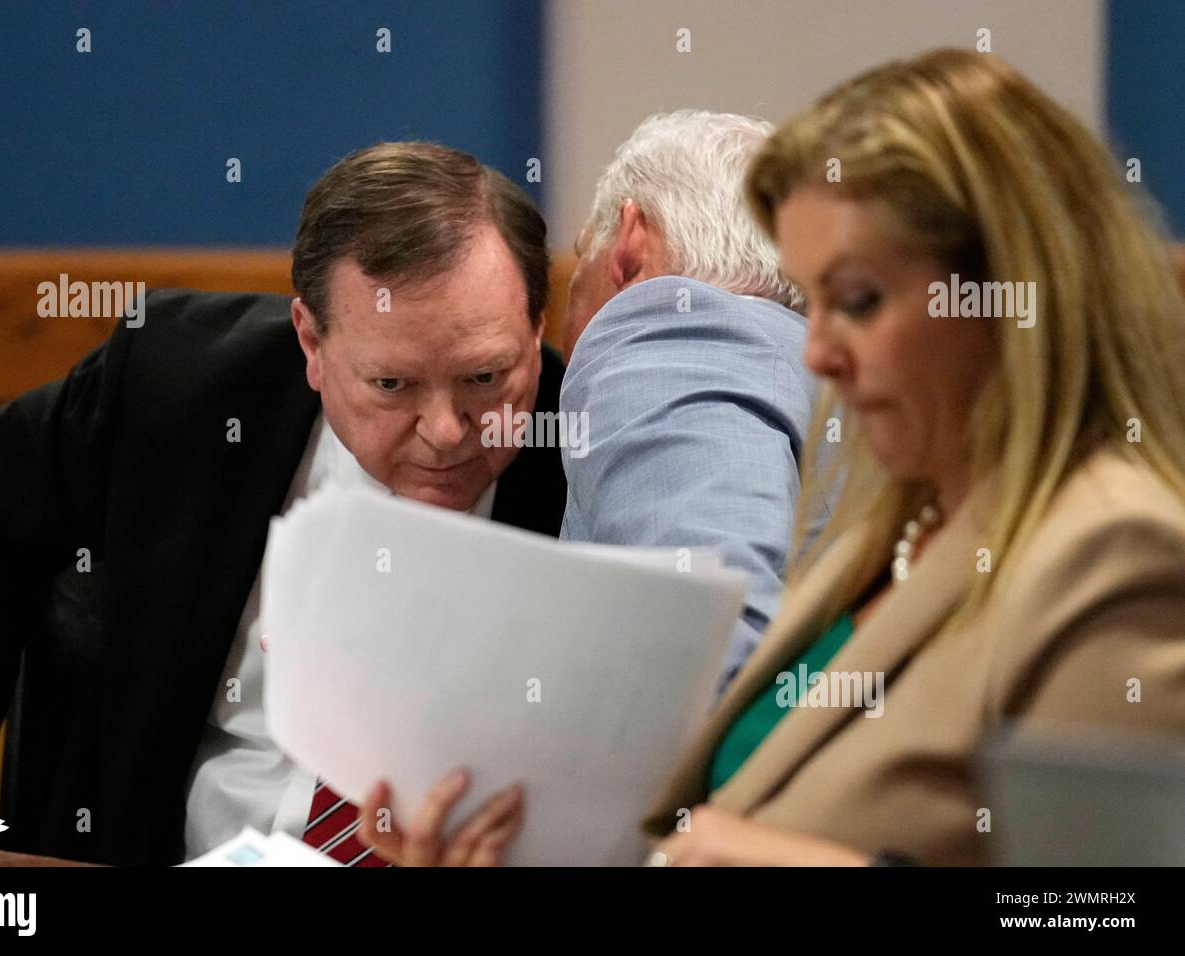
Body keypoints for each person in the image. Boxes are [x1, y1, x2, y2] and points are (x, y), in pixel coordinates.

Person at [355, 49, 1185, 866]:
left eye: (858, 300)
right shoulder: (895, 527)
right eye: (812, 299)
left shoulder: (1115, 553)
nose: (814, 352)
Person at [0, 142, 567, 866]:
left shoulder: (591, 463)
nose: (445, 431)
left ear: (536, 329)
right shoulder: (185, 381)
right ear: (312, 341)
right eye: (392, 386)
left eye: (486, 377)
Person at [559, 110, 817, 694]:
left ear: (630, 241)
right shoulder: (810, 365)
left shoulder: (670, 340)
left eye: (582, 258)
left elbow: (713, 653)